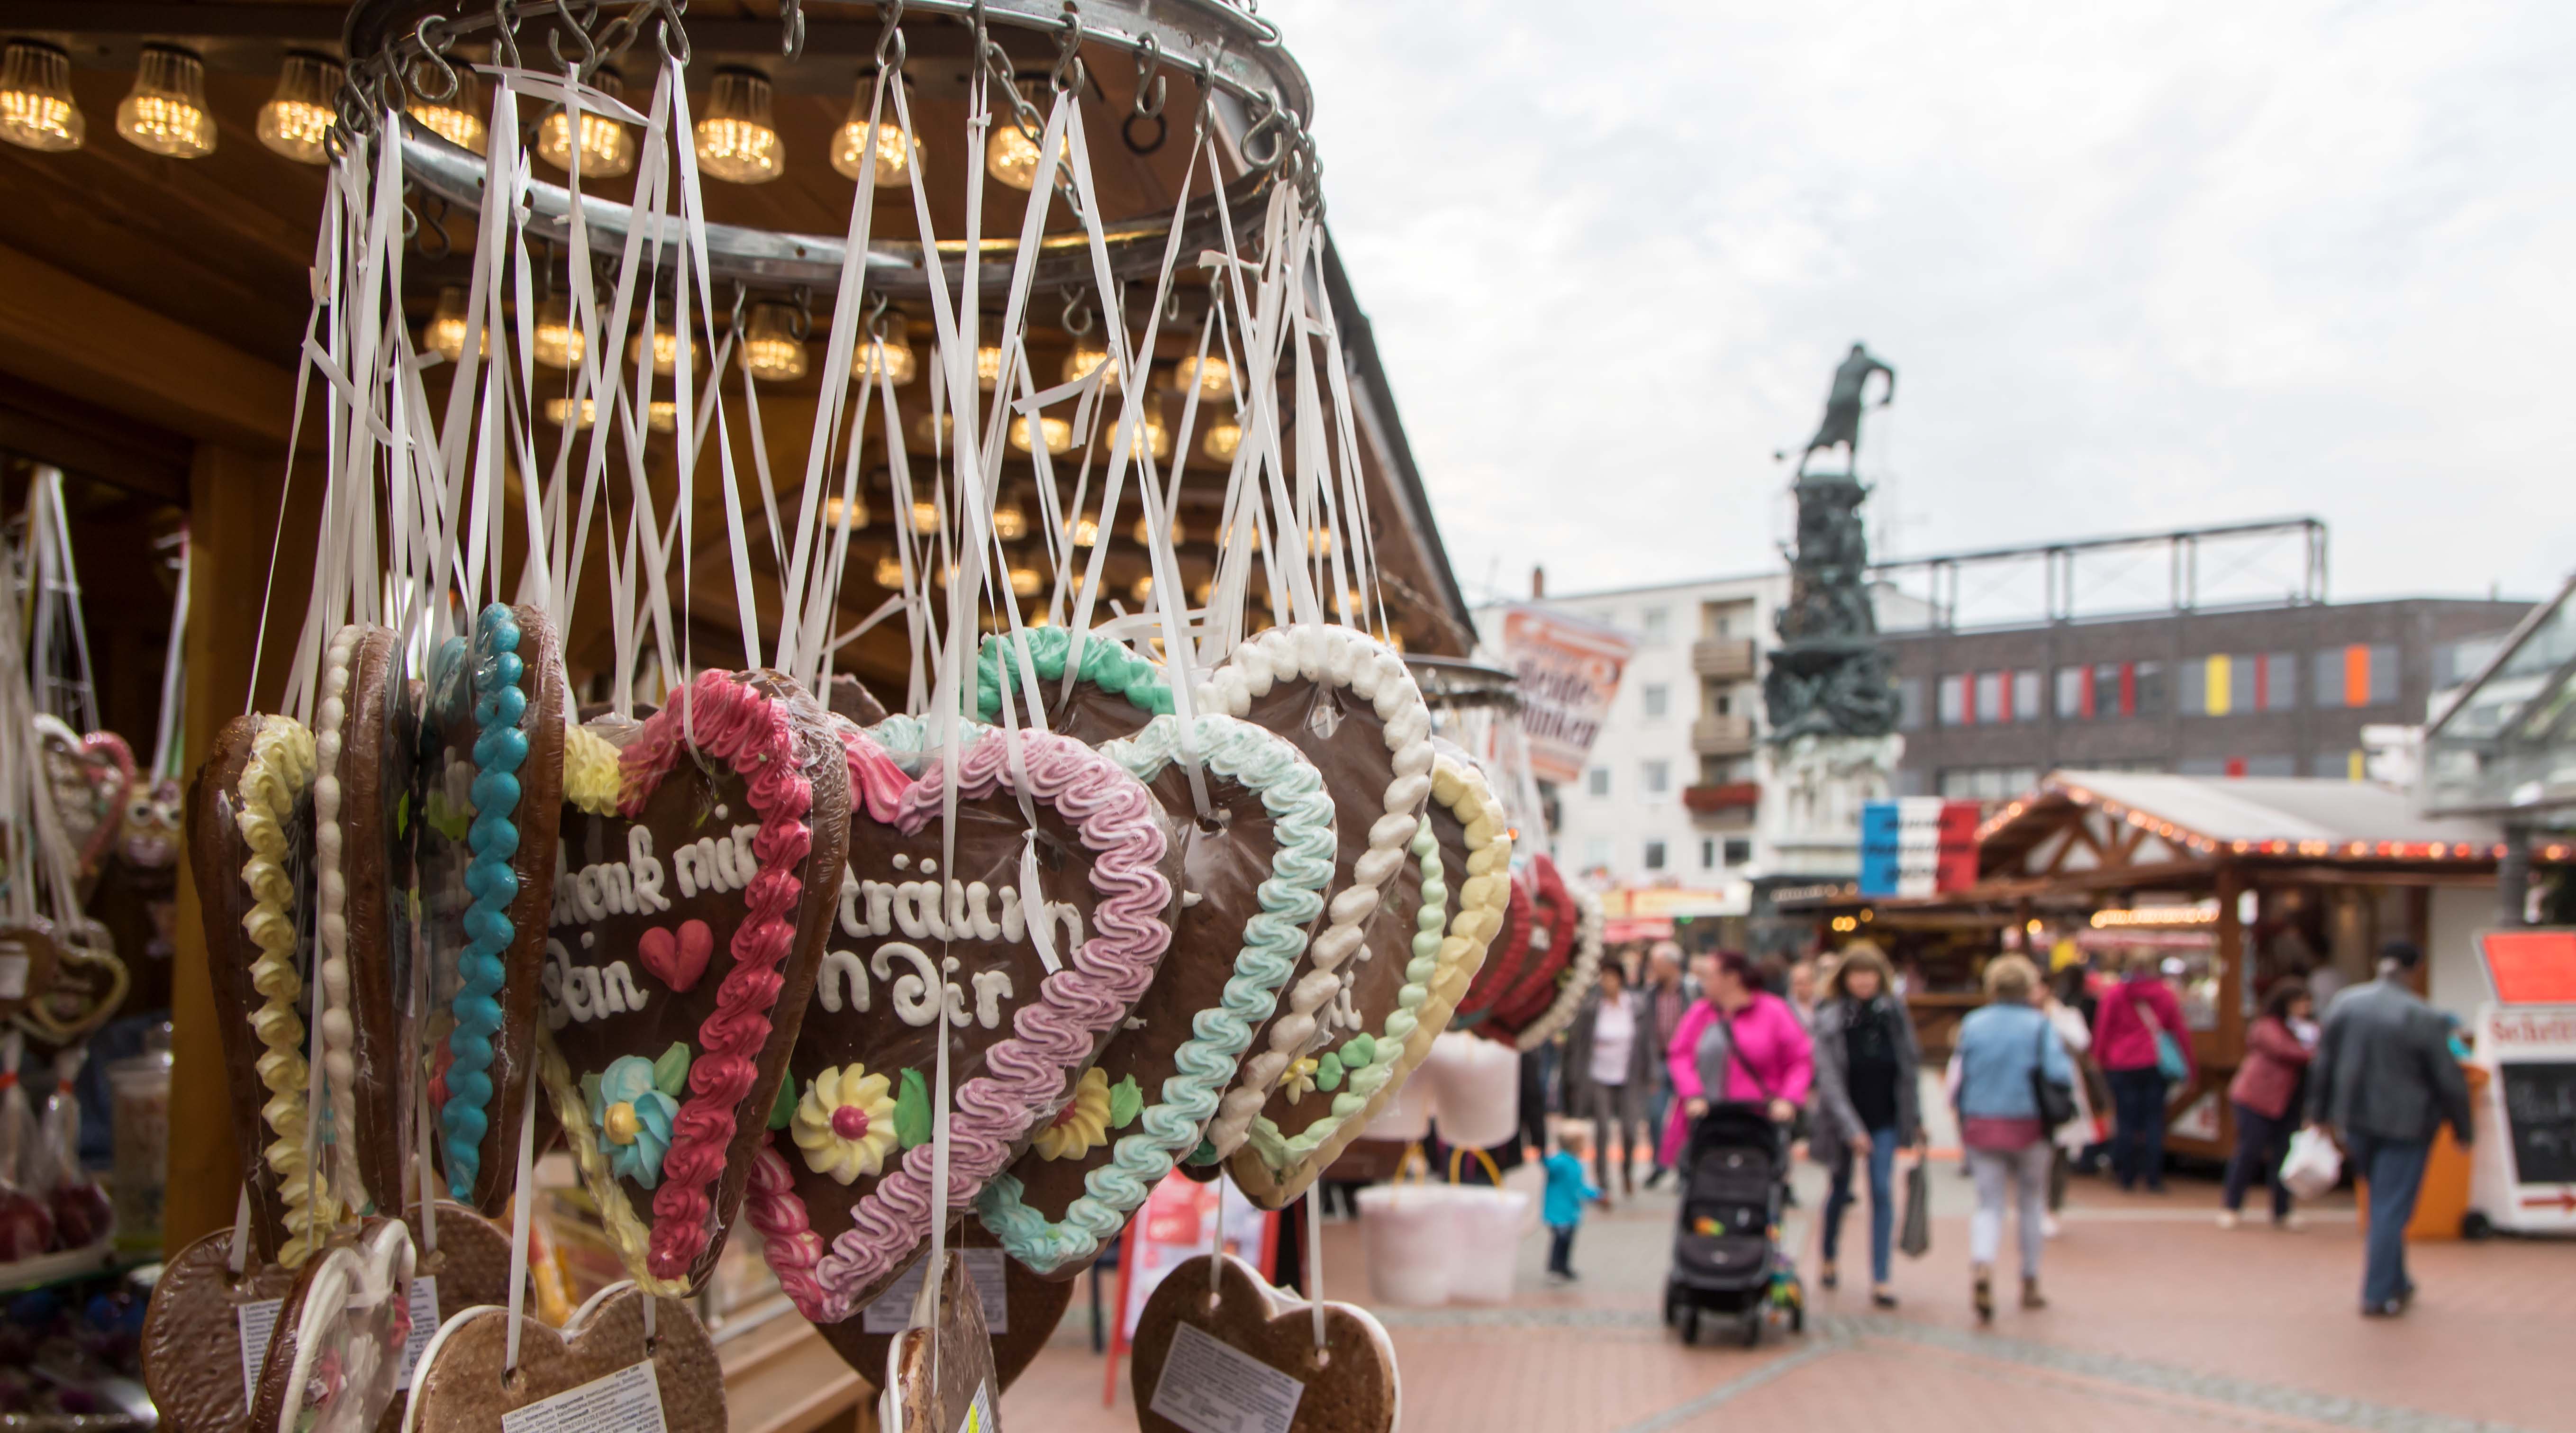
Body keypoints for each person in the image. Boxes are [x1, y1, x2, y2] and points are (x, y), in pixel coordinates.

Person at [2307, 942, 2473, 1317]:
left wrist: (2318, 1112)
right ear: (2415, 969)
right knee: (2390, 1206)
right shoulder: (2421, 1015)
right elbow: (2448, 1079)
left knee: (2383, 1201)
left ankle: (2397, 1280)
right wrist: (2463, 1127)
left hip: (2356, 1120)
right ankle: (2378, 1291)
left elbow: (2324, 1063)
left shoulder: (2346, 1004)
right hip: (2408, 1123)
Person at [1952, 954, 2073, 1323]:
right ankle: (2030, 1278)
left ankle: (1983, 1263)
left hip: (1982, 1122)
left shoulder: (1973, 1024)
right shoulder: (2039, 1026)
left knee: (1988, 1203)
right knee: (2031, 1203)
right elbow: (2060, 1073)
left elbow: (1959, 1076)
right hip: (2029, 1125)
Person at [1808, 943, 1922, 1307]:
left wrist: (1915, 1119)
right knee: (1840, 1190)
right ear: (1844, 978)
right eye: (1857, 974)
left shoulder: (1894, 1015)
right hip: (1843, 1120)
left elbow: (1909, 1070)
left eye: (1870, 973)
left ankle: (1882, 1277)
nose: (1863, 981)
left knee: (1882, 1190)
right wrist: (1851, 1128)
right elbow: (1828, 1080)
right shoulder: (1829, 1017)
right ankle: (1828, 1256)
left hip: (1884, 1116)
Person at [1660, 952, 1813, 1170]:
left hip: (1760, 1121)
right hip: (1709, 1119)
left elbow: (1800, 1060)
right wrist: (1692, 1094)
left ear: (1732, 978)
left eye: (1710, 976)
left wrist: (1788, 1099)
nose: (1704, 983)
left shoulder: (1774, 1012)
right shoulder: (1700, 1013)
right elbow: (1680, 1056)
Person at [2092, 949, 2195, 1192]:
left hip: (2122, 1063)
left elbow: (2103, 1028)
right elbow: (2179, 1032)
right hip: (2153, 1063)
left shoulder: (2115, 993)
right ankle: (2153, 1177)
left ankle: (2126, 1176)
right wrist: (2190, 1066)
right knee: (2153, 1121)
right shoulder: (2165, 995)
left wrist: (2098, 1057)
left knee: (2126, 1120)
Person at [2221, 980, 2316, 1230]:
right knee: (2249, 1152)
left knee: (2284, 1156)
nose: (2305, 1008)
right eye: (2300, 1002)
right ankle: (2232, 1206)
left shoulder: (2306, 1028)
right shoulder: (2268, 1027)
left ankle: (2282, 1211)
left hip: (2289, 1100)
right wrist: (2316, 1051)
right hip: (2257, 1098)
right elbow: (2285, 1051)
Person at [1563, 963, 1652, 1203]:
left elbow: (1646, 1042)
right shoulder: (1591, 1007)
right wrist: (1574, 1077)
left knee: (1630, 1129)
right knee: (1602, 1129)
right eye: (1604, 978)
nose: (1607, 983)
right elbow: (1578, 1045)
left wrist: (1650, 1073)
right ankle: (1603, 1180)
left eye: (1612, 978)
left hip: (1628, 1076)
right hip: (1599, 1075)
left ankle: (1627, 1172)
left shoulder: (1636, 1006)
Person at [2037, 973, 2096, 1237]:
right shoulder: (2018, 1017)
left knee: (2060, 1151)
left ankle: (2052, 1207)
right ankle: (2036, 1207)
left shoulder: (2066, 1015)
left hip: (2059, 1095)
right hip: (2029, 1095)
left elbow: (2082, 1043)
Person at [1639, 942, 1696, 1188]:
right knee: (1655, 1115)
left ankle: (1685, 1167)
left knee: (1687, 1118)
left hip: (1687, 1063)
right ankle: (1660, 1163)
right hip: (1659, 1061)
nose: (1653, 969)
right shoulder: (1650, 994)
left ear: (1673, 965)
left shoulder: (1693, 991)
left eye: (1658, 965)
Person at [1542, 1122, 1601, 1284]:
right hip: (1559, 1211)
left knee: (1567, 1242)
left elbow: (1579, 1187)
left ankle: (1564, 1267)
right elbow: (1549, 1165)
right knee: (1560, 1241)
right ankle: (1555, 1268)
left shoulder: (1575, 1163)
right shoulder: (1561, 1162)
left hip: (1570, 1211)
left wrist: (1597, 1195)